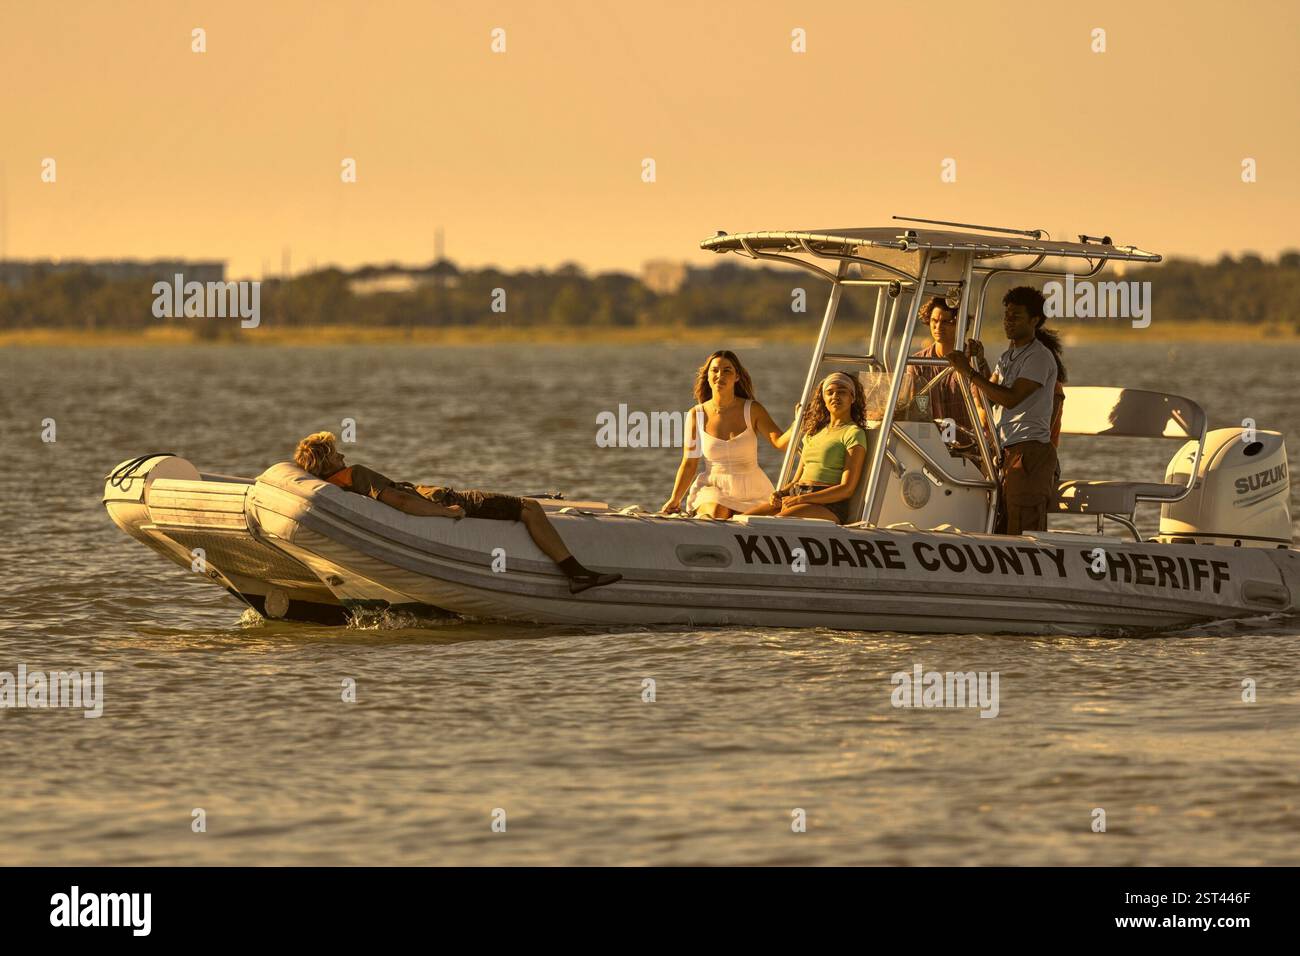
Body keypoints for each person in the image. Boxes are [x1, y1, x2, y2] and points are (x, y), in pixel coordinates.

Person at [292, 432, 621, 594]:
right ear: (328, 461)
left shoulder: (336, 486)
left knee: (530, 502)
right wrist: (444, 512)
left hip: (435, 498)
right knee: (529, 507)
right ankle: (576, 574)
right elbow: (402, 501)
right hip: (445, 498)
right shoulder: (355, 475)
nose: (344, 455)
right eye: (337, 453)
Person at [945, 286, 1067, 534]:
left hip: (1029, 453)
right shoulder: (1008, 356)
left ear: (1034, 320)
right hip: (1006, 452)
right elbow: (990, 398)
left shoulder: (1038, 357)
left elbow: (1011, 399)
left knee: (1023, 528)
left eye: (1016, 316)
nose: (1008, 322)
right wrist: (978, 361)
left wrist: (968, 372)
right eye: (1006, 315)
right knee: (1002, 524)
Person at [660, 350, 793, 518]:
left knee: (747, 519)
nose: (720, 375)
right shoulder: (696, 414)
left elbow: (780, 443)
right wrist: (674, 499)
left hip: (752, 489)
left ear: (737, 377)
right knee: (717, 511)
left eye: (727, 370)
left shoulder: (752, 410)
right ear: (707, 376)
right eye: (714, 370)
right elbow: (689, 463)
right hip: (713, 488)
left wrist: (798, 423)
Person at [743, 372, 869, 525]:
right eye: (830, 392)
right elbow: (797, 480)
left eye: (842, 392)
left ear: (852, 398)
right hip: (798, 494)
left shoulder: (853, 433)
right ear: (824, 399)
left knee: (773, 524)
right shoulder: (814, 432)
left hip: (828, 505)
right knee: (740, 521)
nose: (835, 396)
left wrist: (801, 499)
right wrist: (781, 493)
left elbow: (846, 488)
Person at [898, 297, 989, 449]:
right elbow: (918, 407)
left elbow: (983, 403)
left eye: (946, 322)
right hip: (933, 447)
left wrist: (978, 361)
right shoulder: (918, 363)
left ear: (961, 326)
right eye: (934, 320)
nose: (938, 326)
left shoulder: (972, 359)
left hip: (970, 444)